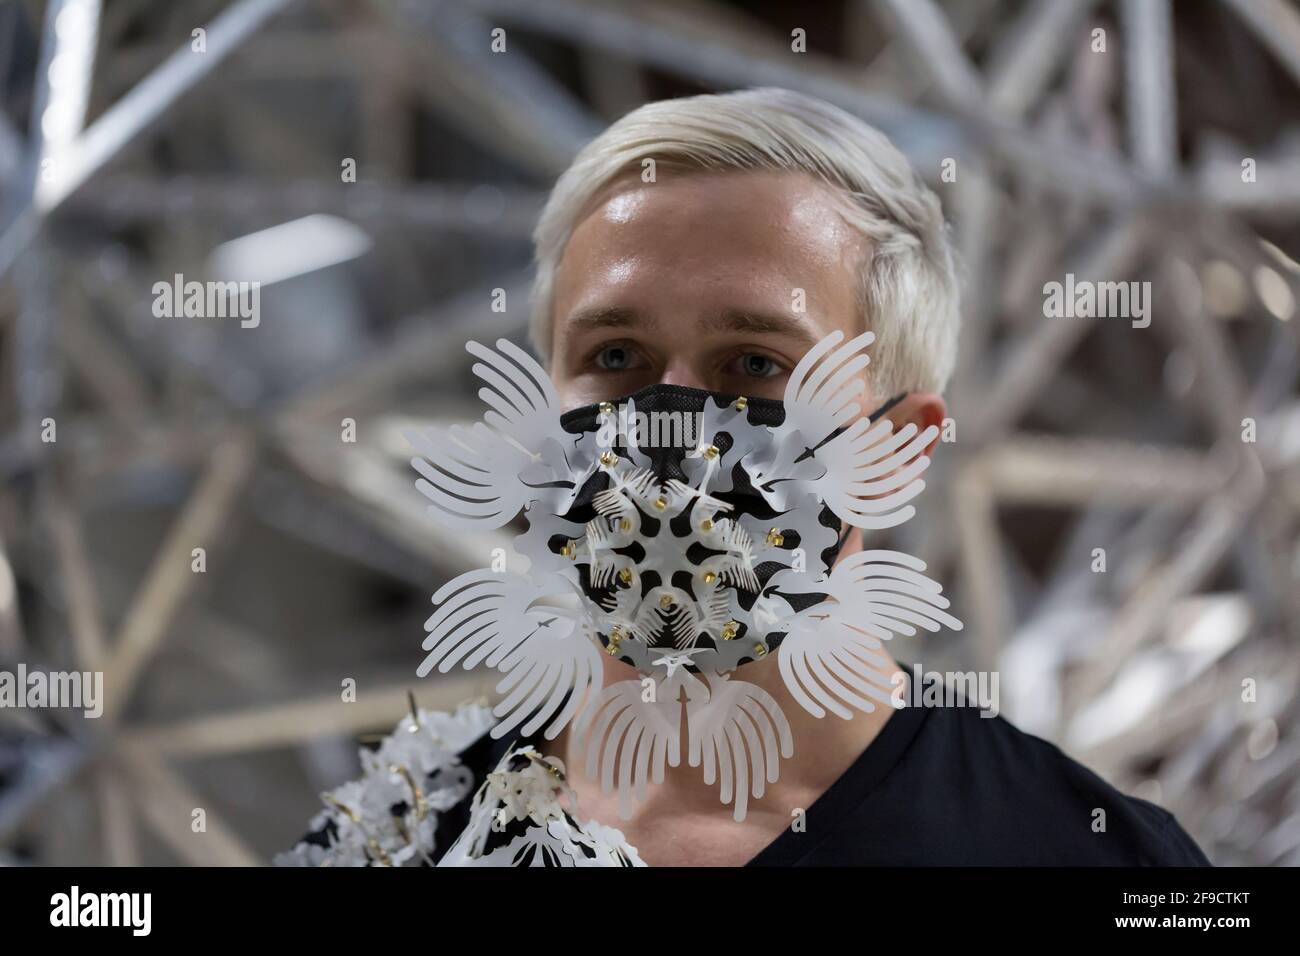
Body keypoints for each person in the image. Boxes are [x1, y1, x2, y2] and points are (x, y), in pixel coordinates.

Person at [287, 87, 1210, 867]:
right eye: (616, 354)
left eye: (756, 364)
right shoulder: (397, 836)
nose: (669, 427)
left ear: (902, 448)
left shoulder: (1092, 859)